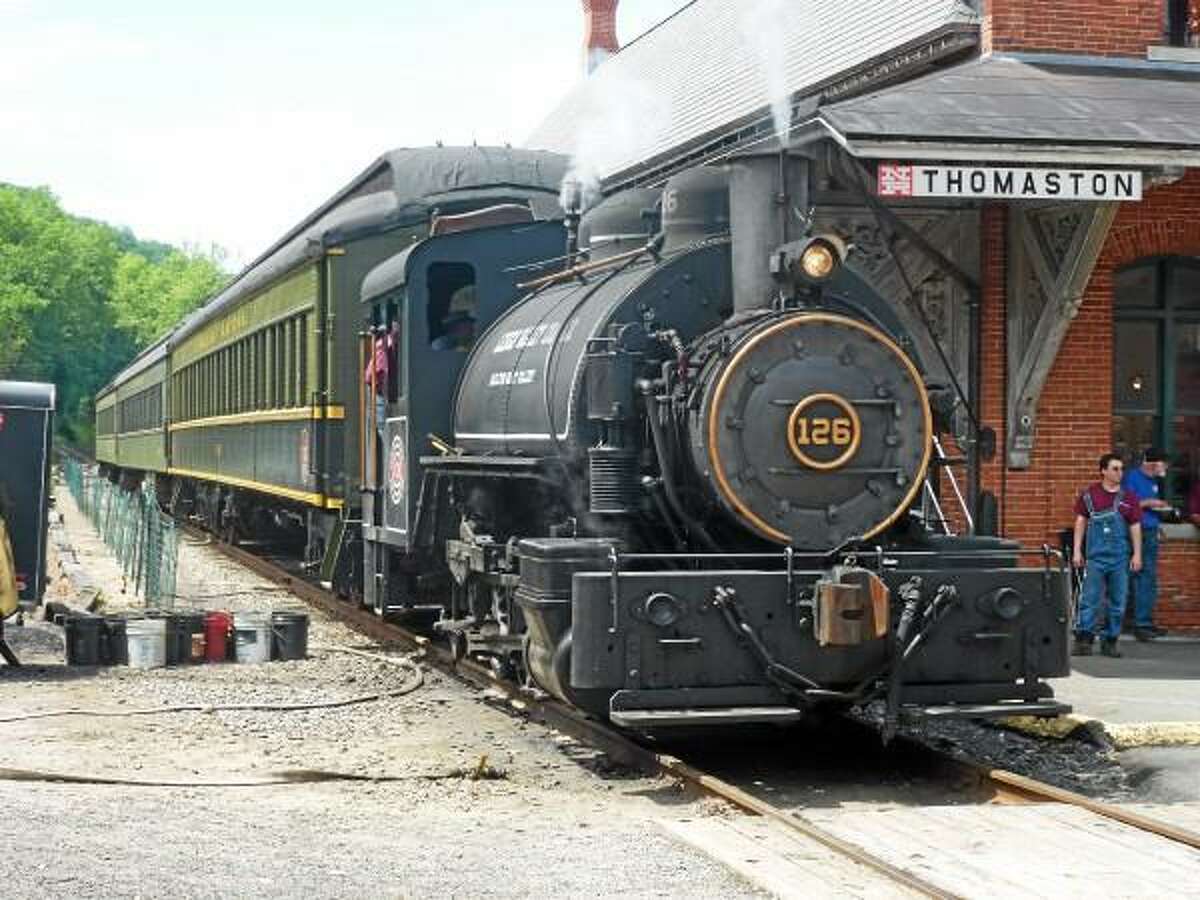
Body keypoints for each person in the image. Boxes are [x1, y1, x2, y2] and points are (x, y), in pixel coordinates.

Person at [1072, 453, 1142, 658]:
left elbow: (1135, 527)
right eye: (1115, 468)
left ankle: (1110, 641)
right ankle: (1084, 640)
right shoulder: (1089, 495)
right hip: (1095, 557)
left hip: (1120, 558)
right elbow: (1080, 522)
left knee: (1118, 601)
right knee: (1089, 599)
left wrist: (1137, 554)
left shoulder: (1129, 498)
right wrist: (1077, 550)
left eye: (1121, 469)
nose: (1120, 473)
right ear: (1103, 470)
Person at [1122, 447, 1171, 640]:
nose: (1166, 467)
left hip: (1150, 531)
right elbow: (1125, 505)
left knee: (1147, 578)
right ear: (1154, 462)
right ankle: (1139, 624)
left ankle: (1145, 622)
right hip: (1136, 532)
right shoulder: (1132, 477)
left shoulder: (1153, 481)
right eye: (1164, 463)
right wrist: (1150, 502)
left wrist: (1157, 522)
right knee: (1139, 576)